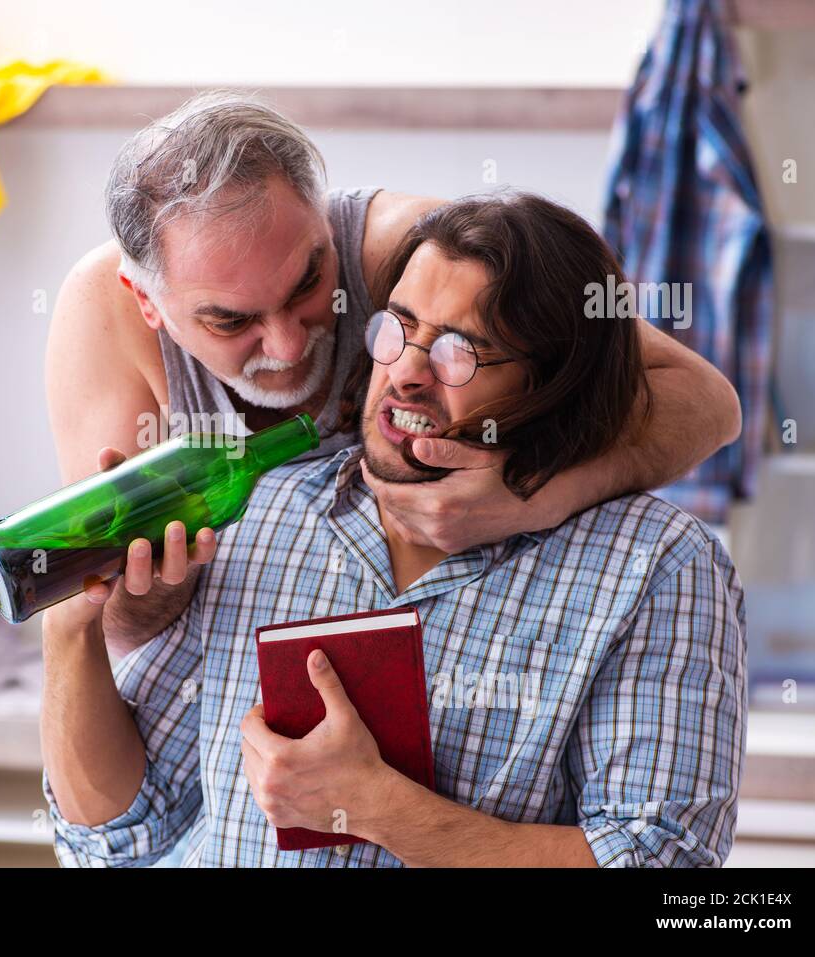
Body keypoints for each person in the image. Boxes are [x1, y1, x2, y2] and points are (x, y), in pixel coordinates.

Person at [39, 193, 747, 867]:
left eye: (459, 352)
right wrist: (72, 629)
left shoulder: (655, 565)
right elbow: (126, 832)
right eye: (397, 329)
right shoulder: (264, 511)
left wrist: (381, 808)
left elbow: (663, 863)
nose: (406, 374)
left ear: (552, 381)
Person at [45, 91, 744, 656]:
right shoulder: (102, 315)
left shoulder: (410, 253)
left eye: (309, 281)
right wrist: (145, 595)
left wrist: (541, 498)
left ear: (324, 219)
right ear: (148, 302)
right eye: (232, 321)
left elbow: (710, 402)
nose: (287, 346)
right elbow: (119, 629)